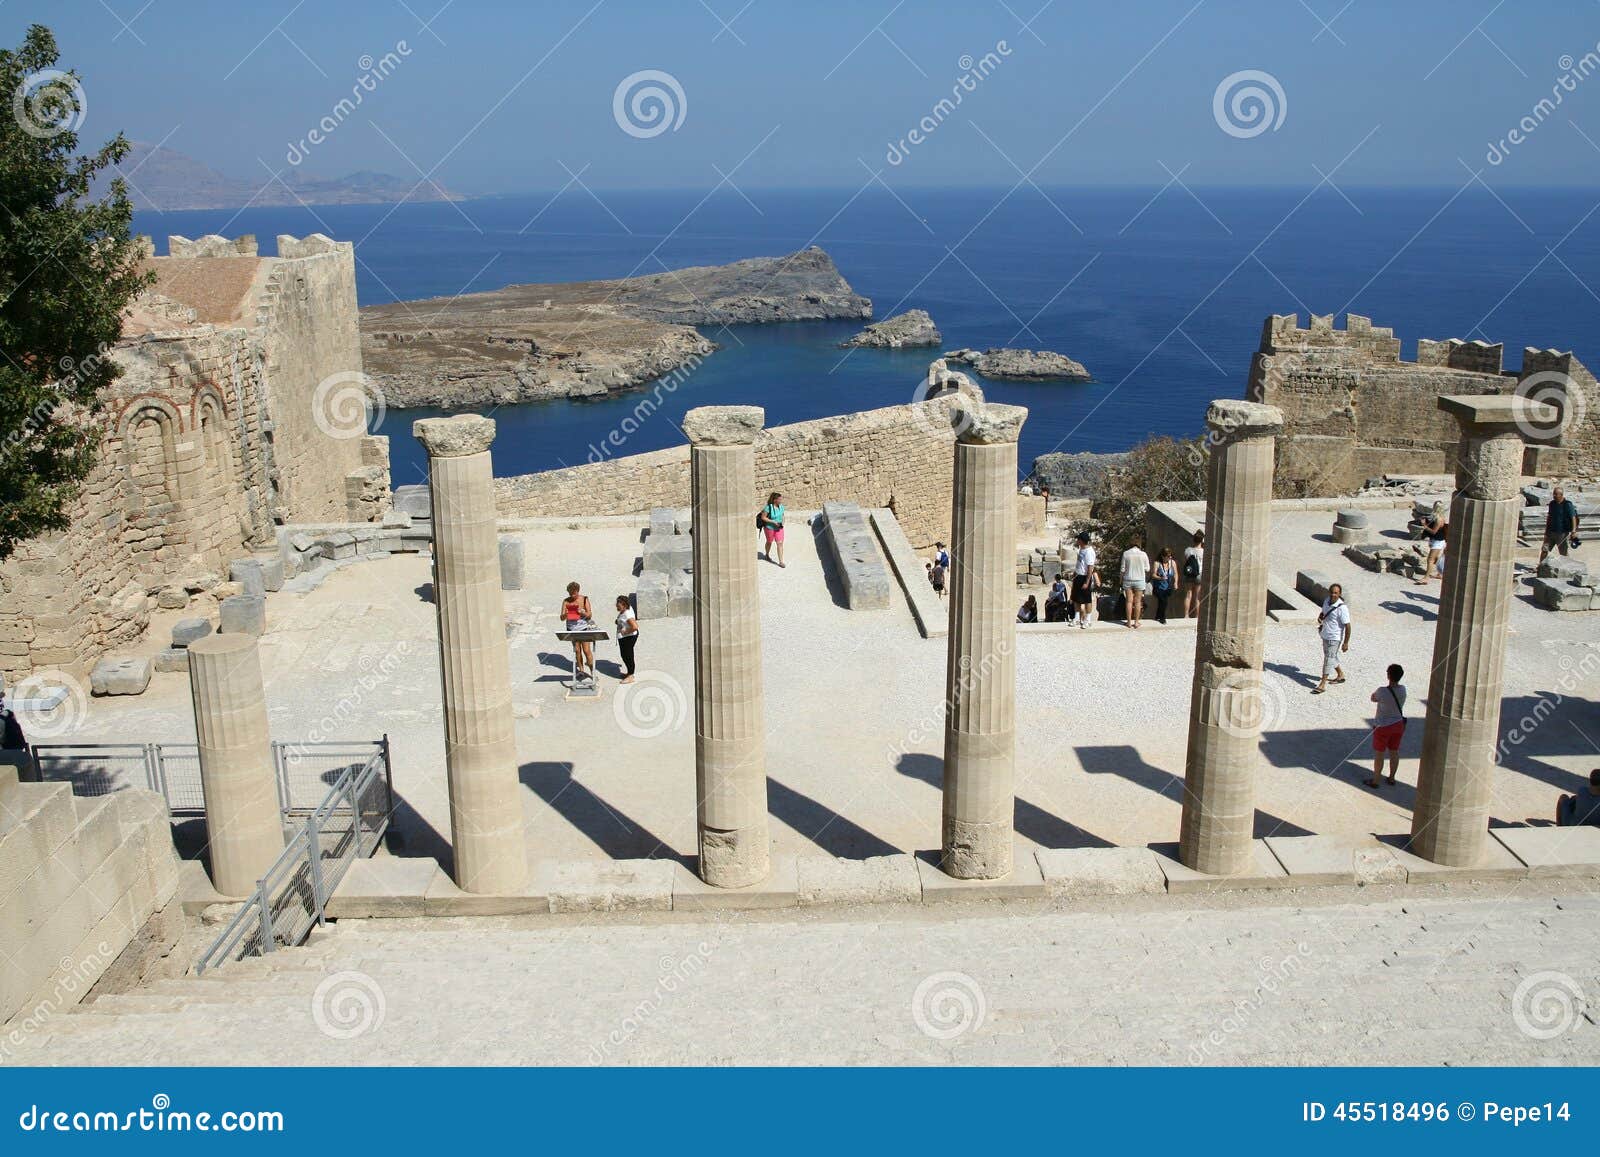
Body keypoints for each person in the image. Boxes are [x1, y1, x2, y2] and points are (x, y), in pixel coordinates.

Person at [1366, 663, 1407, 787]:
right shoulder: (1403, 689)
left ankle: (1376, 780)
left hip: (1382, 726)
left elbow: (1373, 698)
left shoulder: (1382, 691)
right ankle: (1392, 777)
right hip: (1398, 724)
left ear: (1388, 675)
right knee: (1394, 751)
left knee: (1379, 754)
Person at [1312, 583, 1351, 694]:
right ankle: (1340, 674)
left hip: (1335, 637)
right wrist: (1320, 617)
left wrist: (1345, 643)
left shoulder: (1342, 608)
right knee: (1330, 656)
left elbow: (1348, 625)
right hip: (1325, 634)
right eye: (1332, 592)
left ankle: (1322, 684)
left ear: (1340, 594)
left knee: (1328, 659)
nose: (1333, 595)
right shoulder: (1326, 601)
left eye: (1336, 593)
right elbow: (1323, 612)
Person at [561, 581, 596, 684]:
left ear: (578, 591)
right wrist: (566, 614)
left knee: (586, 650)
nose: (572, 596)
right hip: (572, 629)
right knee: (577, 650)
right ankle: (581, 670)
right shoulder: (566, 601)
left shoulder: (584, 599)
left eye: (574, 593)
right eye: (570, 593)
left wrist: (583, 612)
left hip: (583, 628)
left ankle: (592, 670)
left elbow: (590, 615)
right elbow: (561, 618)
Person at [1541, 486, 1580, 562]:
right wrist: (1546, 531)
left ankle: (1567, 568)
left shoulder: (1567, 504)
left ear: (1561, 495)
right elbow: (1549, 517)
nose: (1554, 496)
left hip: (1562, 533)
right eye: (1553, 494)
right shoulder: (1552, 504)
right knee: (1545, 550)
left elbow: (1573, 518)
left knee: (1563, 553)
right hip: (1551, 532)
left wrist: (1573, 531)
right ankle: (1540, 566)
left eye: (1556, 494)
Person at [1120, 537, 1150, 628]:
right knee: (1138, 602)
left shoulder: (1126, 553)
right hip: (1140, 580)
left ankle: (1128, 622)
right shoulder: (1143, 554)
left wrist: (1120, 580)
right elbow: (1147, 569)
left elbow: (1122, 569)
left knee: (1129, 601)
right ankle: (1136, 622)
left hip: (1128, 579)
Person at [1071, 532, 1098, 629]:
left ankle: (1088, 619)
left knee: (1087, 599)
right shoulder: (1081, 549)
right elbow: (1079, 563)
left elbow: (1090, 568)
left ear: (1081, 540)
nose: (1077, 541)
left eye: (1078, 539)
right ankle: (1077, 618)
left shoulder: (1089, 552)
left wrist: (1087, 582)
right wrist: (1075, 572)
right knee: (1076, 598)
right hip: (1078, 576)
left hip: (1085, 576)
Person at [1416, 507, 1447, 585]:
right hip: (1436, 540)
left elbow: (1433, 532)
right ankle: (1441, 573)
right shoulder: (1439, 517)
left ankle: (1426, 578)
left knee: (1430, 559)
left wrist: (1424, 525)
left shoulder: (1439, 519)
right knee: (1436, 558)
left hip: (1438, 541)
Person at [757, 491, 787, 567]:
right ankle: (767, 555)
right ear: (774, 500)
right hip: (769, 528)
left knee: (780, 543)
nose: (781, 501)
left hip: (779, 528)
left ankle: (781, 561)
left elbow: (783, 515)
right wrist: (773, 522)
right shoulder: (768, 507)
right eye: (779, 499)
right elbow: (763, 517)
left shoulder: (781, 507)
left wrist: (783, 522)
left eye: (781, 499)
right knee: (769, 542)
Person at [614, 595, 638, 684]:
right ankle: (629, 673)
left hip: (629, 637)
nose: (616, 606)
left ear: (624, 605)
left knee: (628, 656)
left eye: (618, 605)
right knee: (625, 655)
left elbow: (635, 627)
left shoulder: (627, 615)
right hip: (625, 637)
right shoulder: (627, 609)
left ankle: (631, 675)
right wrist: (618, 621)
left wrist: (625, 632)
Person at [1150, 547, 1178, 625]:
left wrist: (1176, 582)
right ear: (1163, 556)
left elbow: (1175, 573)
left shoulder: (1172, 563)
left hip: (1168, 586)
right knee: (1163, 601)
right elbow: (1153, 575)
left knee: (1162, 602)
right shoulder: (1157, 563)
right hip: (1158, 586)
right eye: (1168, 556)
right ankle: (1163, 618)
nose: (1170, 558)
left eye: (1170, 556)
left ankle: (1157, 616)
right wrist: (1161, 578)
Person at [1182, 529, 1204, 617]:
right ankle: (1197, 616)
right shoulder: (1203, 551)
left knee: (1188, 595)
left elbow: (1185, 561)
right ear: (1202, 541)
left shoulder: (1188, 550)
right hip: (1199, 574)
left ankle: (1186, 615)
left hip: (1189, 573)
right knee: (1197, 597)